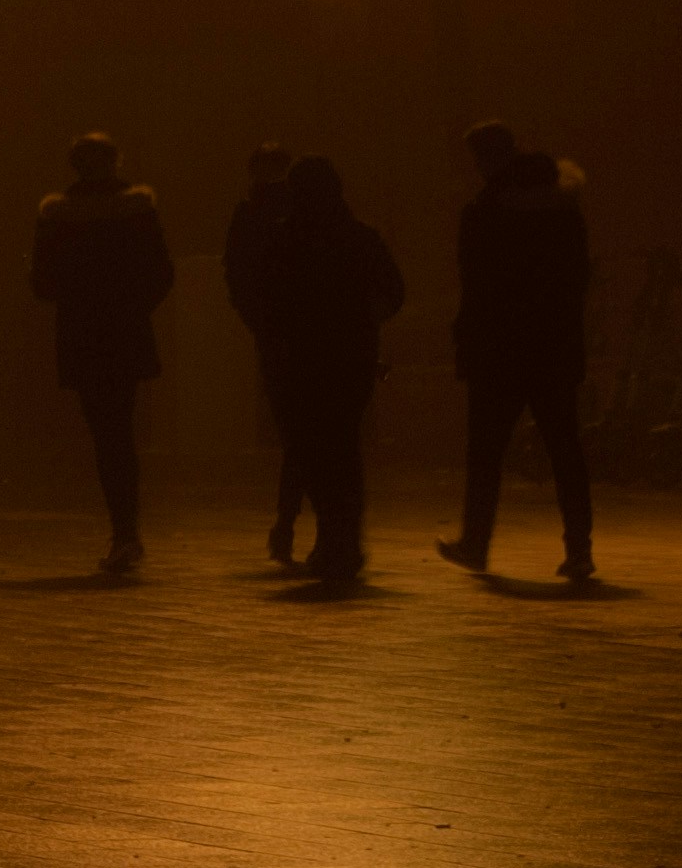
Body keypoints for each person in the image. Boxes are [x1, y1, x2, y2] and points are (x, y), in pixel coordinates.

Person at [438, 121, 596, 581]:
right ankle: (579, 549)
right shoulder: (563, 209)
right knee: (565, 450)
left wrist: (467, 342)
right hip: (553, 347)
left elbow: (476, 286)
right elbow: (577, 279)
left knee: (486, 453)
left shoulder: (484, 211)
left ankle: (476, 542)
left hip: (498, 350)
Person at [254, 157, 403, 577]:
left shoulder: (284, 239)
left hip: (300, 360)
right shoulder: (359, 237)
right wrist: (364, 321)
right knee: (343, 448)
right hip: (349, 357)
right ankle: (345, 538)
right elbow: (393, 290)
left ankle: (332, 536)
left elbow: (266, 303)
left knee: (310, 450)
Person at [31, 132, 173, 573]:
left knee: (105, 433)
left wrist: (80, 296)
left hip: (83, 332)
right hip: (122, 330)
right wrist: (130, 305)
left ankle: (125, 531)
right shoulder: (136, 212)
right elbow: (160, 273)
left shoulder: (58, 216)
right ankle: (127, 530)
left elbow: (42, 281)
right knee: (118, 431)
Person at [221, 144, 294, 339]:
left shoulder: (249, 210)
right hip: (273, 307)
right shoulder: (249, 210)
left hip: (284, 306)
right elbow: (236, 261)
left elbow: (235, 262)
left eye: (274, 165)